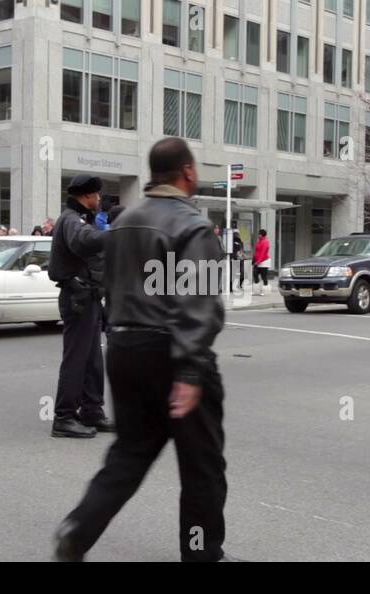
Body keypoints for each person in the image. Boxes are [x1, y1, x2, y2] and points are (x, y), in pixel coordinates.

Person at [54, 137, 233, 562]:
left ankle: (77, 530)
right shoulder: (193, 226)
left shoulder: (123, 222)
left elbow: (111, 285)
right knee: (202, 466)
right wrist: (190, 373)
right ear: (188, 171)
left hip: (123, 346)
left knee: (129, 454)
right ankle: (201, 552)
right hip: (173, 350)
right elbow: (198, 304)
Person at [48, 175, 110, 439]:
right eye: (96, 195)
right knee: (76, 358)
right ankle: (63, 417)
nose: (98, 200)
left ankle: (92, 411)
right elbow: (84, 242)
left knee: (93, 359)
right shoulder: (71, 220)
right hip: (78, 298)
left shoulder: (80, 219)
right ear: (87, 196)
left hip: (89, 297)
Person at [252, 229, 271, 296]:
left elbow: (263, 253)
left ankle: (265, 291)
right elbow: (256, 251)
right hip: (258, 261)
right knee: (255, 274)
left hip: (264, 261)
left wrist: (258, 261)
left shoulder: (265, 242)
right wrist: (254, 260)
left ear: (261, 234)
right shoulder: (259, 241)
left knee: (264, 276)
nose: (258, 235)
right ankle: (256, 290)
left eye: (259, 234)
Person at [230, 223, 245, 293]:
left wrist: (242, 256)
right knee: (234, 274)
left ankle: (239, 285)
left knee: (241, 273)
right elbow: (232, 250)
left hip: (240, 259)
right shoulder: (232, 242)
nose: (237, 235)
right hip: (235, 259)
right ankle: (232, 287)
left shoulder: (240, 242)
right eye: (235, 234)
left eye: (237, 233)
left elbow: (242, 250)